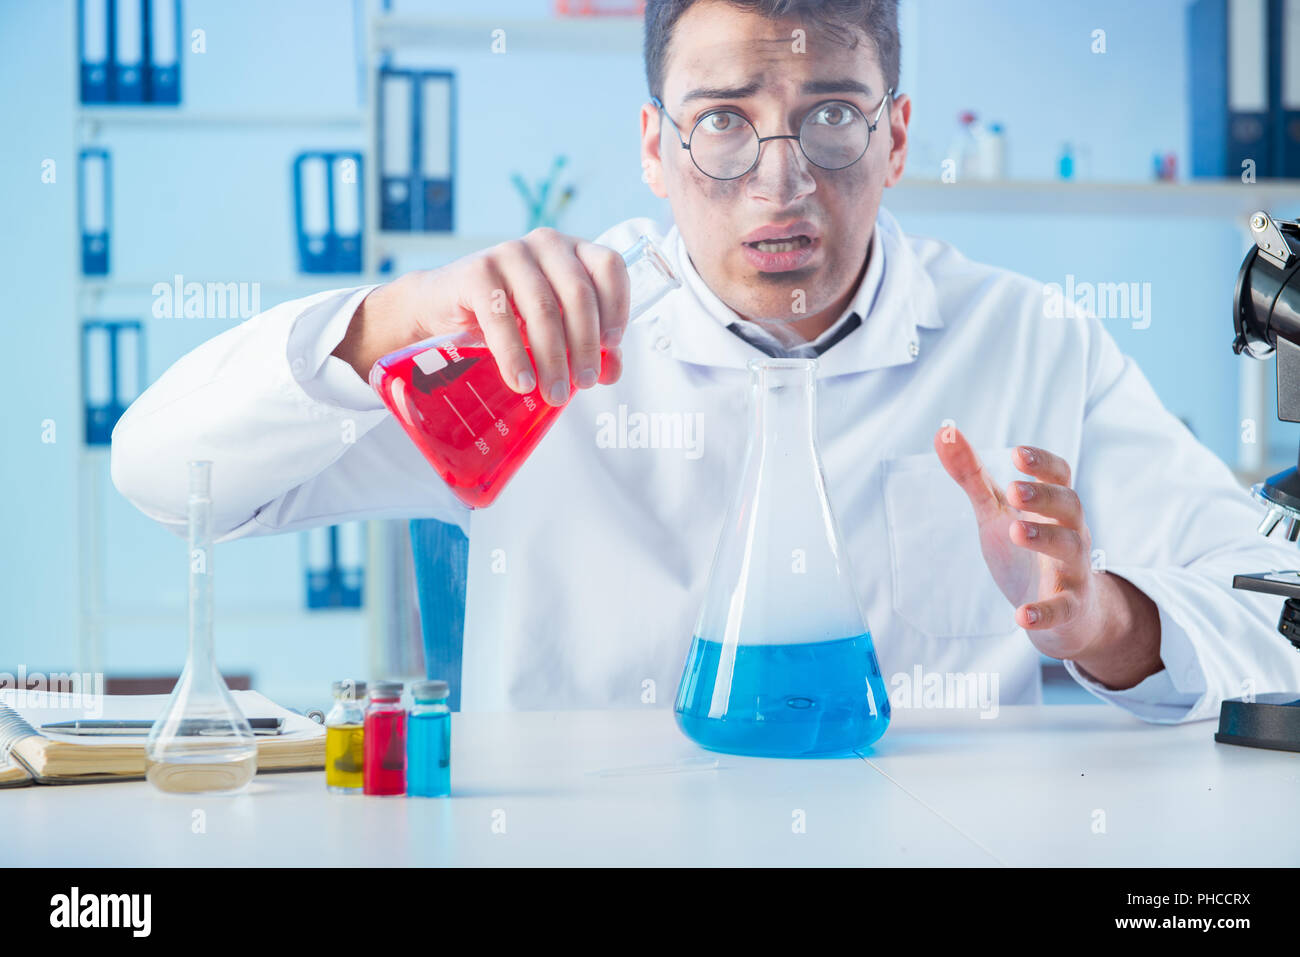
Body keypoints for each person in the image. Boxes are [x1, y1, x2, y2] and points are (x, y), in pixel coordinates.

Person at [111, 0, 1300, 719]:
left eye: (831, 114)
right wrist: (395, 317)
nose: (779, 178)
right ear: (654, 144)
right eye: (724, 119)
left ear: (893, 137)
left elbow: (1274, 605)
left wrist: (1103, 622)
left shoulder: (1029, 341)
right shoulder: (537, 340)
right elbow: (167, 479)